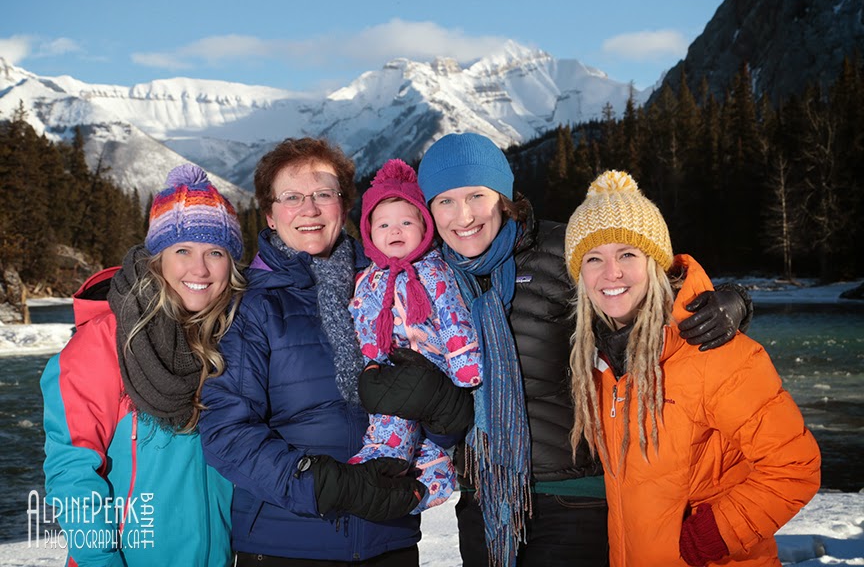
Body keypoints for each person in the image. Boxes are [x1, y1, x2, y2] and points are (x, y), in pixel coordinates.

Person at [358, 132, 752, 567]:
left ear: (503, 196)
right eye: (445, 201)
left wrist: (729, 300)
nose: (463, 215)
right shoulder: (423, 276)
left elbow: (648, 284)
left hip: (573, 499)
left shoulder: (562, 249)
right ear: (428, 211)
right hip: (484, 502)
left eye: (476, 196)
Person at [564, 170, 821, 566]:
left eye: (627, 254)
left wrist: (712, 535)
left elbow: (795, 467)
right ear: (580, 275)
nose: (611, 272)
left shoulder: (713, 351)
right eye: (594, 258)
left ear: (655, 263)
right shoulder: (599, 365)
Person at [197, 138, 425, 566]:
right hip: (288, 542)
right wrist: (325, 486)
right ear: (270, 214)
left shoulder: (388, 286)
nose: (310, 209)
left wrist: (443, 407)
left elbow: (430, 406)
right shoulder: (251, 306)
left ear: (345, 205)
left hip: (389, 537)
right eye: (292, 197)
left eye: (323, 194)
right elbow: (225, 432)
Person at [41, 164, 246, 566]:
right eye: (182, 250)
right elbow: (72, 474)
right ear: (158, 259)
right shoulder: (103, 342)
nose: (200, 269)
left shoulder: (240, 339)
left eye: (215, 252)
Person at [349, 159, 482, 514]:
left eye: (406, 222)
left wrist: (465, 362)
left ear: (424, 226)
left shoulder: (434, 272)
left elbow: (453, 316)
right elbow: (363, 321)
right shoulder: (368, 279)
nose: (395, 230)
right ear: (369, 232)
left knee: (411, 422)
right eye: (383, 224)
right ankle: (409, 468)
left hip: (436, 367)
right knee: (391, 418)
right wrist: (370, 366)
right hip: (392, 370)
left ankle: (401, 465)